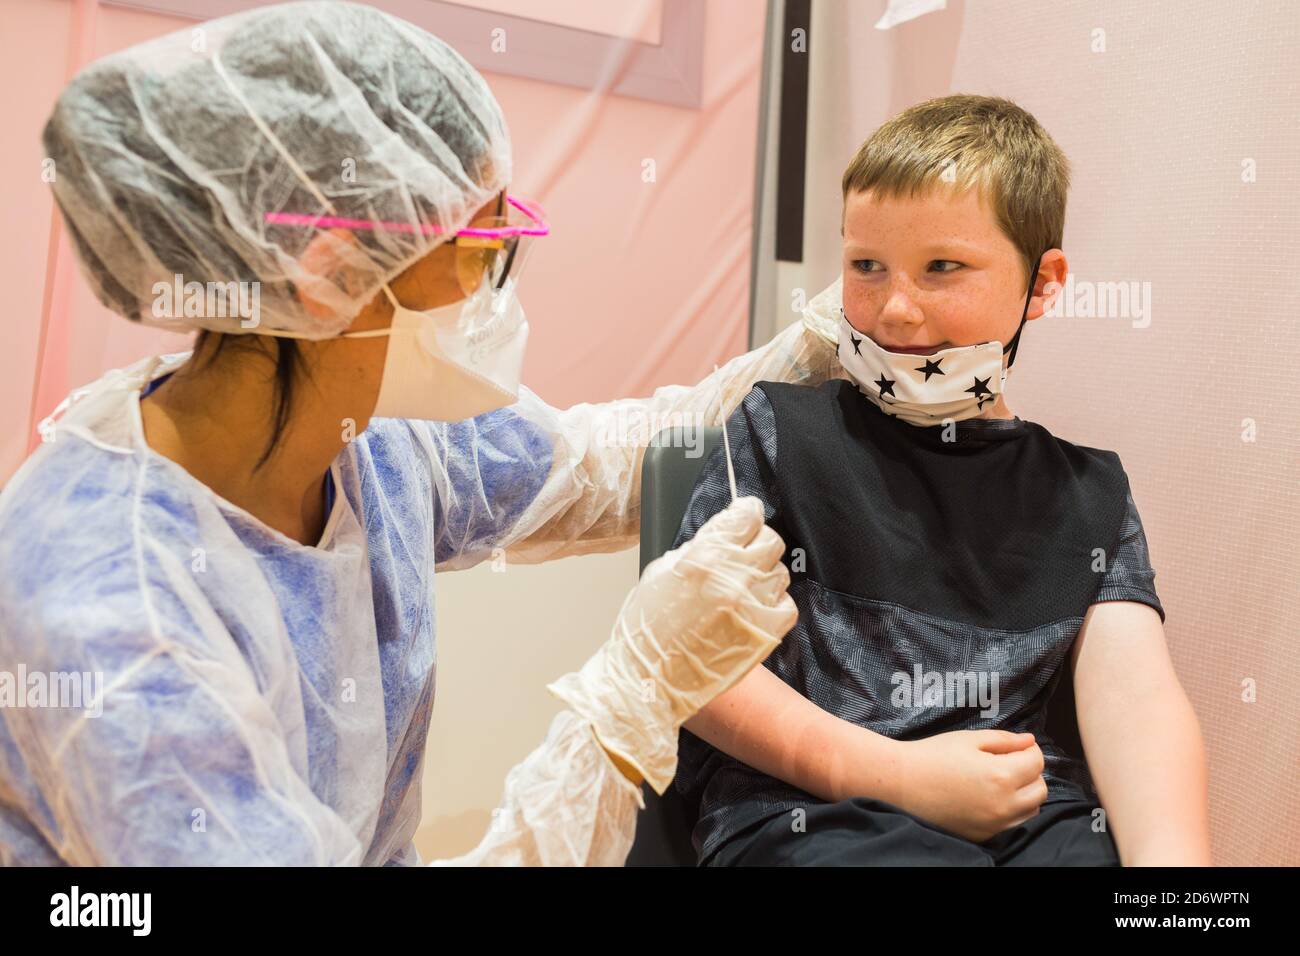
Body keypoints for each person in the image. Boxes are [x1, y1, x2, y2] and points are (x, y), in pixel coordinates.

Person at [0, 1, 841, 866]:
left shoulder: (365, 435)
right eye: (482, 249)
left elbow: (601, 466)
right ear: (327, 276)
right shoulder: (109, 608)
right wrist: (627, 705)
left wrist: (824, 339)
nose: (495, 291)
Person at [670, 95, 1211, 867]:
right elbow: (693, 663)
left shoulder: (1089, 493)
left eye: (942, 268)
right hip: (810, 812)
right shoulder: (775, 434)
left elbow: (1138, 703)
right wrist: (900, 776)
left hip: (1030, 815)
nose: (894, 308)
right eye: (866, 267)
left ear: (1043, 283)